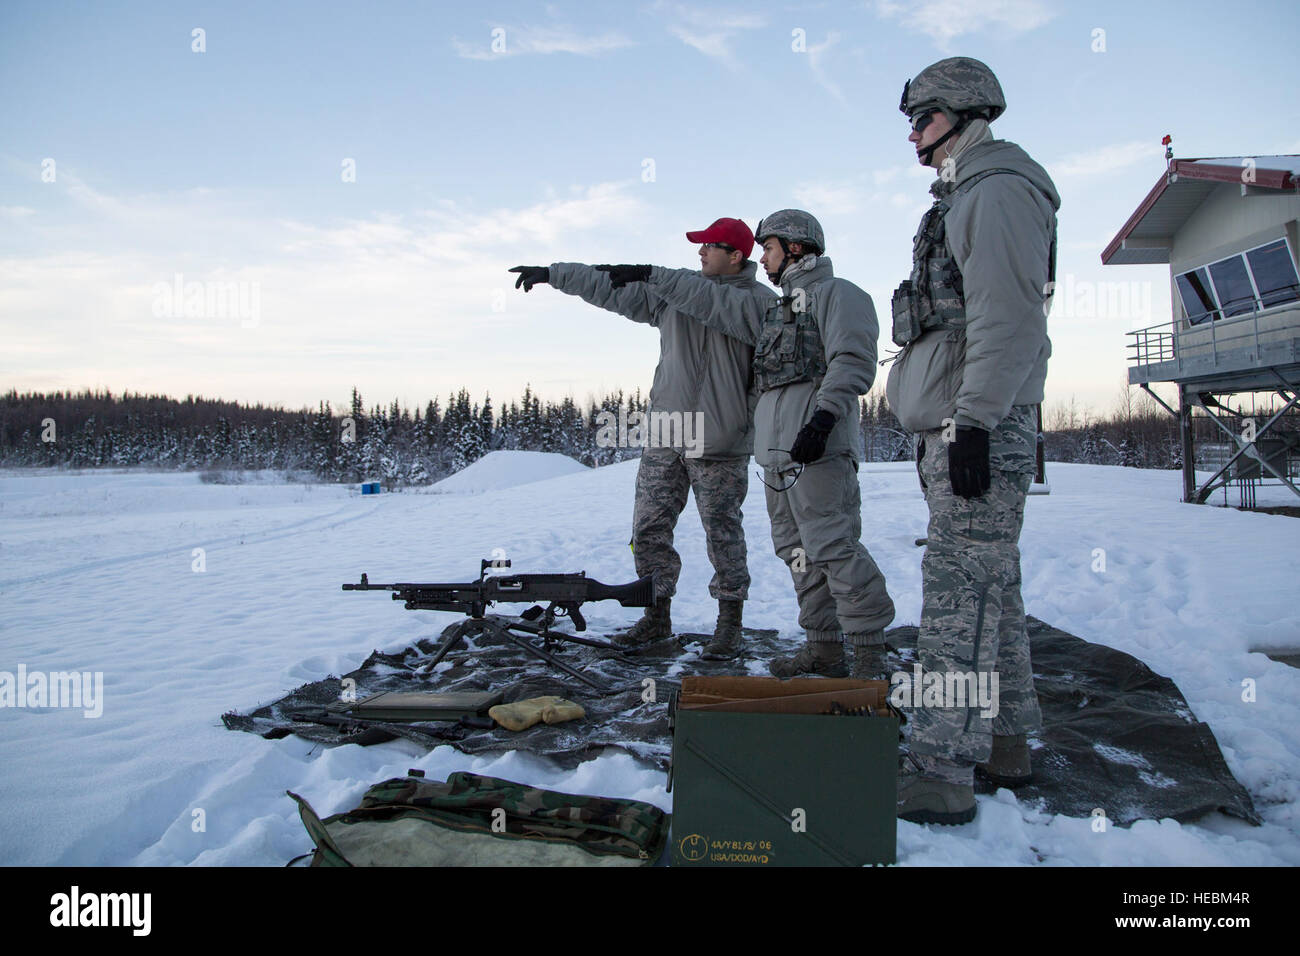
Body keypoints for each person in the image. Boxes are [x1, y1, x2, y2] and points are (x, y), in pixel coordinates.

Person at [597, 209, 896, 679]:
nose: (764, 257)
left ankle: (870, 658)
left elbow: (854, 361)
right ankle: (824, 649)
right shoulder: (779, 308)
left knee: (833, 547)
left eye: (769, 248)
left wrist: (823, 418)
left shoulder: (838, 294)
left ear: (795, 248)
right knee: (796, 551)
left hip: (818, 447)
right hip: (780, 455)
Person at [886, 56, 1059, 824]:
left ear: (963, 113)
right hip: (960, 422)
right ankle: (1008, 742)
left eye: (922, 120)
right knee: (992, 587)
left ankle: (939, 771)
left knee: (958, 598)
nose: (915, 137)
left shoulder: (996, 193)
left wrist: (978, 421)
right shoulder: (968, 194)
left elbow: (1009, 316)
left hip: (977, 423)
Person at [508, 218, 774, 660]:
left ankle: (729, 624)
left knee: (722, 533)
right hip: (667, 435)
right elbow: (612, 286)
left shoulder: (760, 304)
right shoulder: (674, 291)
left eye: (709, 246)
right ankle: (656, 617)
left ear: (737, 255)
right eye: (699, 246)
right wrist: (555, 274)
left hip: (721, 438)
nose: (700, 253)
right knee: (648, 529)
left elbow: (715, 307)